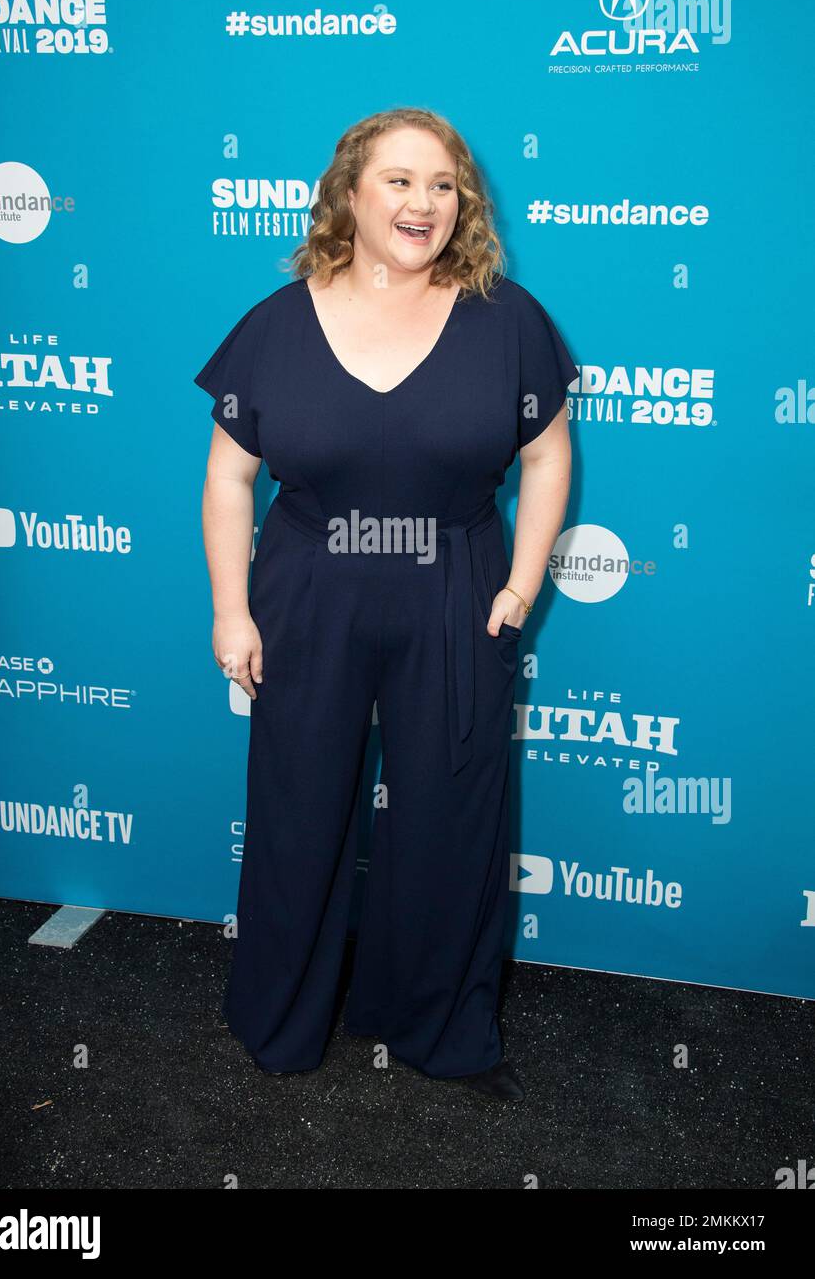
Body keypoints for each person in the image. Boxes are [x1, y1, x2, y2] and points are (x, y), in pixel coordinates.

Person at [194, 106, 577, 1102]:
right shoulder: (275, 325)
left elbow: (545, 457)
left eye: (443, 184)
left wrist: (520, 583)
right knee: (296, 811)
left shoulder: (510, 321)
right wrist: (230, 611)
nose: (424, 202)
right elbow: (229, 479)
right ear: (349, 195)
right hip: (309, 589)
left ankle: (441, 1026)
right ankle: (278, 1020)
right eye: (400, 180)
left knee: (452, 816)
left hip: (451, 589)